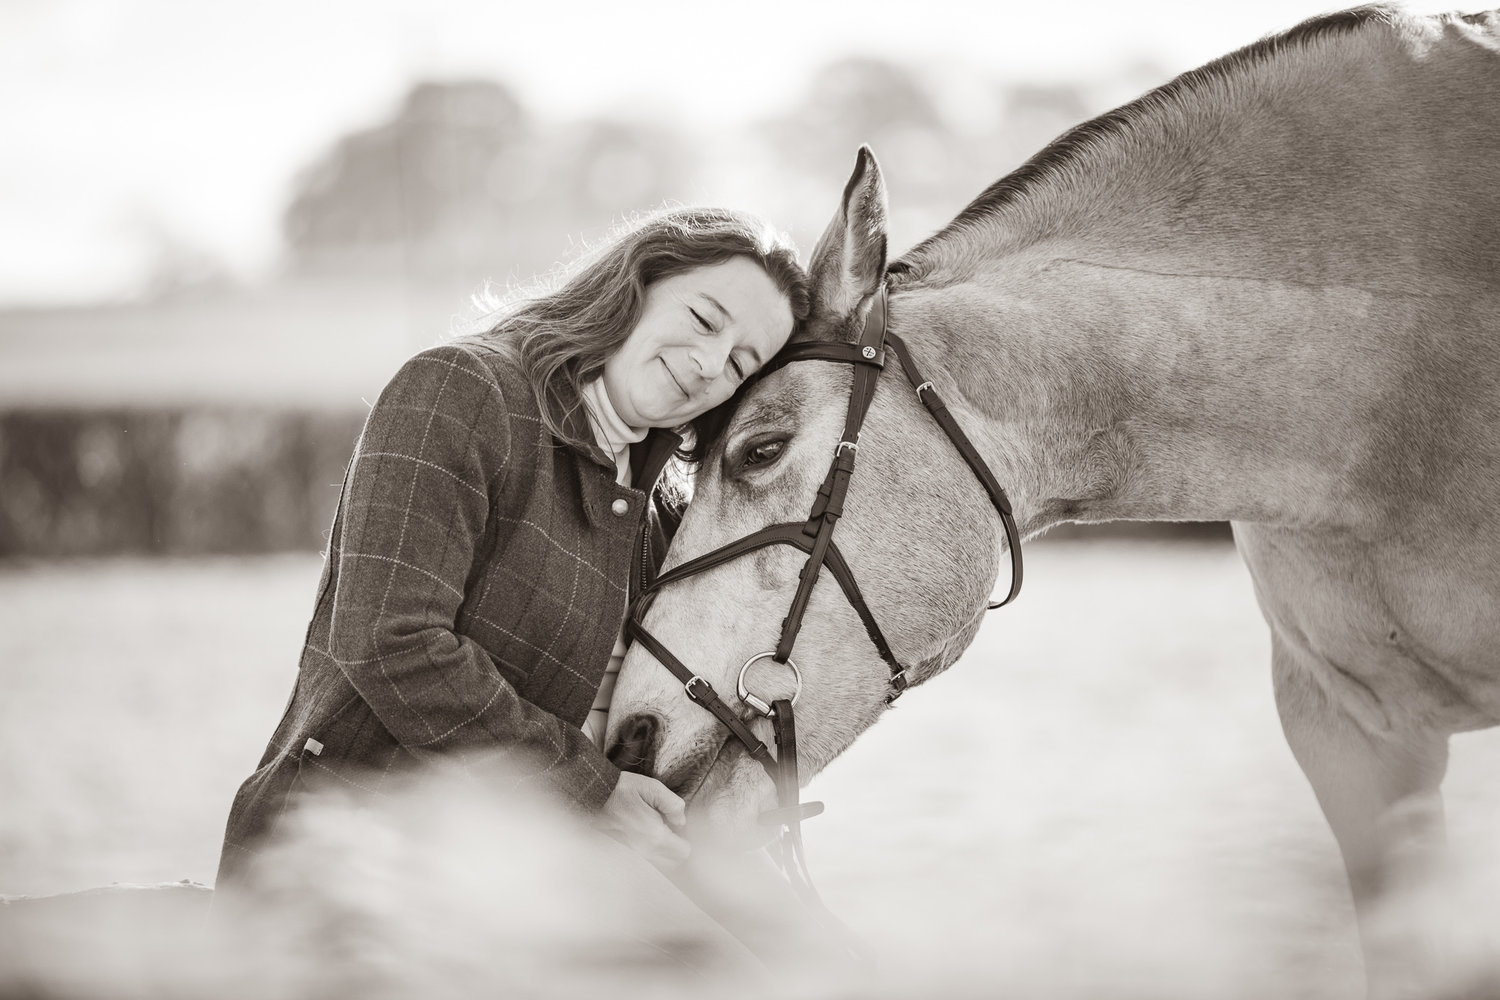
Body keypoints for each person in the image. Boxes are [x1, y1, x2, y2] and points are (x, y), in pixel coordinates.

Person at [215, 207, 808, 888]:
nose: (709, 365)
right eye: (705, 319)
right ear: (639, 282)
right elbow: (389, 640)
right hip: (354, 851)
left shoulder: (662, 506)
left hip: (539, 877)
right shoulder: (461, 391)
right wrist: (590, 794)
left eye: (740, 364)